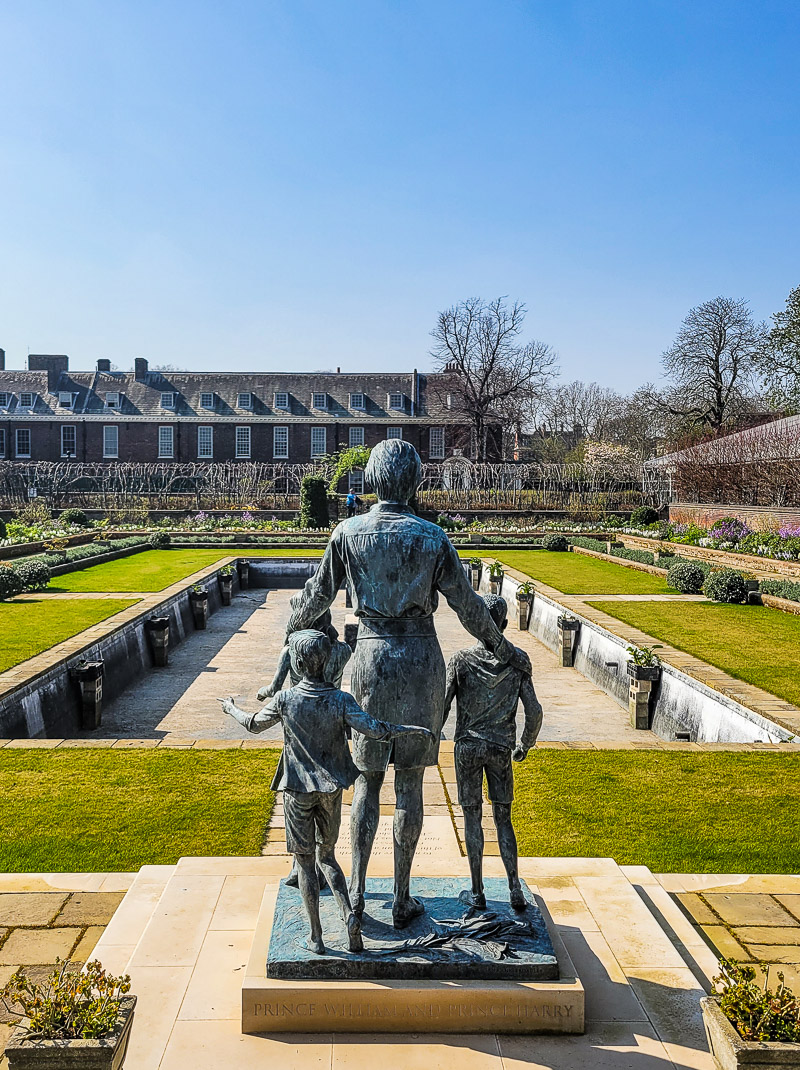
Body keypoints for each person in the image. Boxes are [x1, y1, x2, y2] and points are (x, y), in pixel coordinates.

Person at [283, 439, 530, 928]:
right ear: (415, 482)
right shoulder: (433, 538)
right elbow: (470, 610)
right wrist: (506, 650)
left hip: (371, 660)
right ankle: (400, 896)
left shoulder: (348, 533)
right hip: (420, 662)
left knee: (367, 784)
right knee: (411, 783)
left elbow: (316, 599)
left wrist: (294, 636)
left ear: (373, 482)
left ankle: (355, 894)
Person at [221, 629, 432, 955]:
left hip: (297, 792)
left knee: (306, 865)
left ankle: (317, 937)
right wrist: (410, 729)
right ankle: (349, 914)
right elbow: (377, 730)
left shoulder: (285, 700)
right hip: (330, 790)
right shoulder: (341, 700)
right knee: (328, 857)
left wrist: (231, 708)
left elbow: (252, 724)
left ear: (299, 662)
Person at [443, 594, 543, 912]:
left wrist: (432, 737)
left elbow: (442, 706)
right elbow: (535, 712)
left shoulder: (460, 660)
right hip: (500, 748)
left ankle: (477, 890)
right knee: (503, 819)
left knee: (472, 817)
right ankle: (514, 886)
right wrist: (524, 744)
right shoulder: (517, 662)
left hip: (468, 748)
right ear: (504, 624)